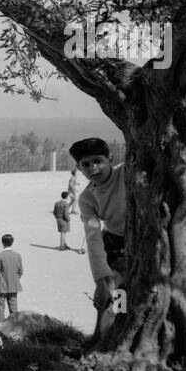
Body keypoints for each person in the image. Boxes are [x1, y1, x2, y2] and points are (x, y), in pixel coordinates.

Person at [72, 137, 126, 343]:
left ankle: (106, 339)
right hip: (112, 243)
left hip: (140, 241)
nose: (93, 167)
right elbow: (93, 240)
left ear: (110, 158)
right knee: (108, 295)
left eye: (98, 160)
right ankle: (102, 339)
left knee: (118, 288)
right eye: (86, 164)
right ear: (78, 167)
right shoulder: (87, 198)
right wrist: (99, 281)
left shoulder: (126, 173)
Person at [0, 233, 24, 324]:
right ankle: (15, 327)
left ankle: (0, 329)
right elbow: (20, 271)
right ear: (12, 243)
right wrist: (15, 279)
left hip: (1, 286)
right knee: (14, 309)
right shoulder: (17, 255)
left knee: (0, 308)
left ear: (2, 243)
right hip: (13, 285)